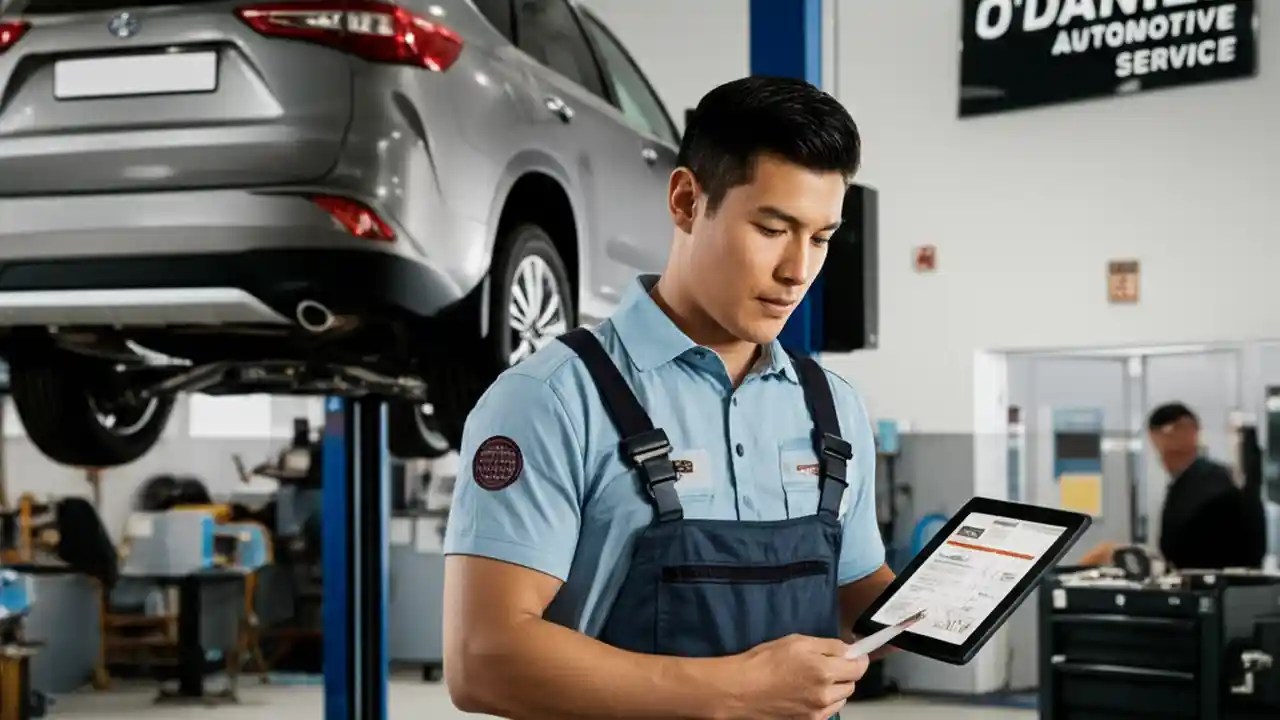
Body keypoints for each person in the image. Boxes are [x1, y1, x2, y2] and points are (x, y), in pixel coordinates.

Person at [441, 76, 895, 719]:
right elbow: (484, 661)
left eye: (820, 238)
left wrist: (960, 594)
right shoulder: (550, 400)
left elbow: (855, 594)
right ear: (686, 201)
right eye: (772, 228)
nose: (798, 270)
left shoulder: (833, 407)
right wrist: (739, 690)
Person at [1081, 403, 1266, 570]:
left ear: (1191, 431)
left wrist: (1126, 555)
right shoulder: (1190, 482)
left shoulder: (1211, 487)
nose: (1163, 444)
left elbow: (1189, 554)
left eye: (1170, 432)